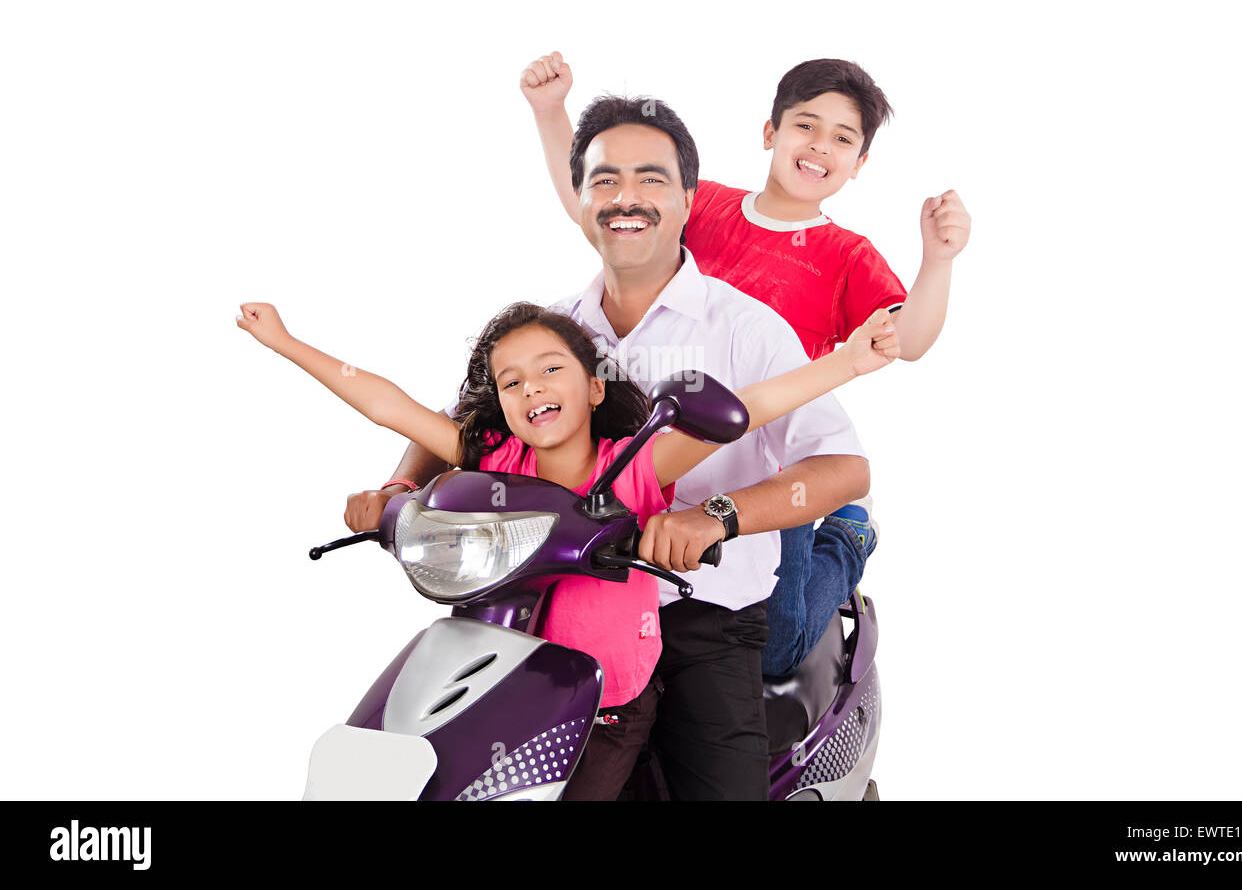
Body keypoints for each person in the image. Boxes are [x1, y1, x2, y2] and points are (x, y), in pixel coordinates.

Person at [342, 95, 873, 799]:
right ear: (581, 198)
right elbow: (458, 426)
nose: (627, 198)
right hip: (551, 602)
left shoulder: (748, 330)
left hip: (700, 610)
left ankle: (843, 547)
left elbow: (843, 466)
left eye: (652, 179)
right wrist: (400, 491)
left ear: (688, 199)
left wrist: (716, 516)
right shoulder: (552, 326)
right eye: (604, 179)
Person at [236, 294, 898, 800]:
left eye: (550, 369)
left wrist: (850, 362)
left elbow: (750, 409)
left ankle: (844, 536)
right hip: (517, 677)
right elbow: (390, 405)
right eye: (512, 381)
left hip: (608, 701)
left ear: (593, 387)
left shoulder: (637, 465)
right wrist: (287, 343)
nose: (532, 389)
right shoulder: (492, 459)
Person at [519, 51, 972, 676]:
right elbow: (601, 207)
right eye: (805, 126)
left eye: (842, 139)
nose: (819, 147)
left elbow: (907, 340)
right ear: (770, 133)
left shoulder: (846, 255)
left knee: (776, 649)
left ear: (859, 163)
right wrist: (550, 112)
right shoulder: (705, 205)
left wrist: (939, 260)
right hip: (652, 456)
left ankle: (844, 539)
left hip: (765, 467)